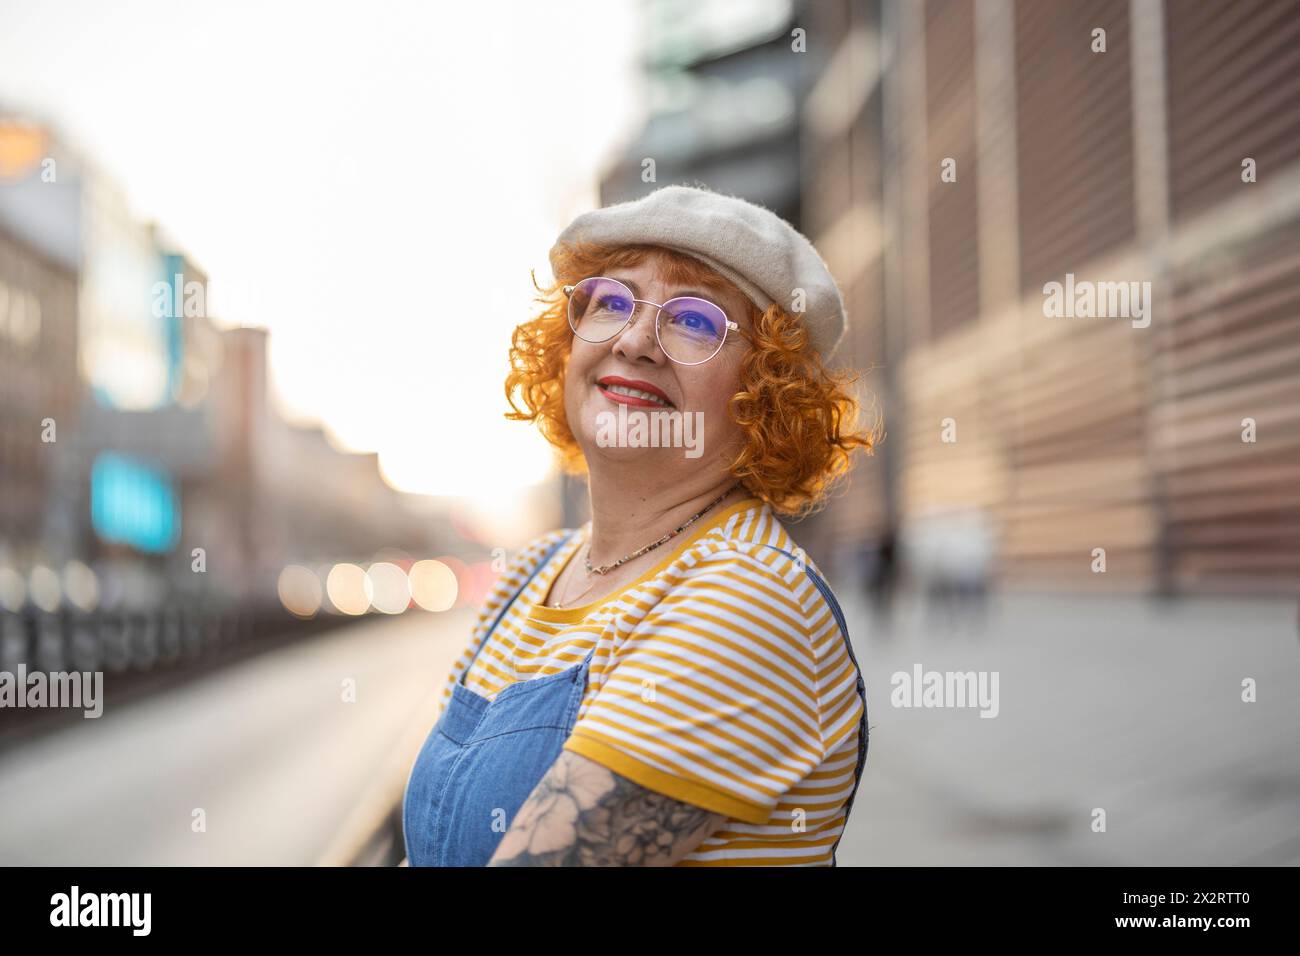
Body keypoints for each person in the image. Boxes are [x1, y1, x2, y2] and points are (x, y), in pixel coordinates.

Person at [403, 183, 879, 866]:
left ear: (767, 391)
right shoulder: (533, 572)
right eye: (613, 302)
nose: (634, 340)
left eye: (694, 321)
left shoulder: (749, 598)